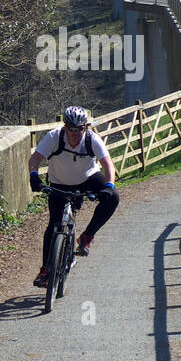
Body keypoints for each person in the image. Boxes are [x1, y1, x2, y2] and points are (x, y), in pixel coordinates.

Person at [28, 105, 119, 287]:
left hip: (87, 178)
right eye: (71, 129)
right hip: (59, 182)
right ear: (65, 127)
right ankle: (46, 269)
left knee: (113, 198)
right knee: (53, 224)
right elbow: (35, 159)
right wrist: (34, 176)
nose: (76, 133)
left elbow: (108, 164)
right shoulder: (54, 137)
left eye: (80, 128)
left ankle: (86, 236)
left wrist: (109, 186)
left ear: (85, 127)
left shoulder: (92, 139)